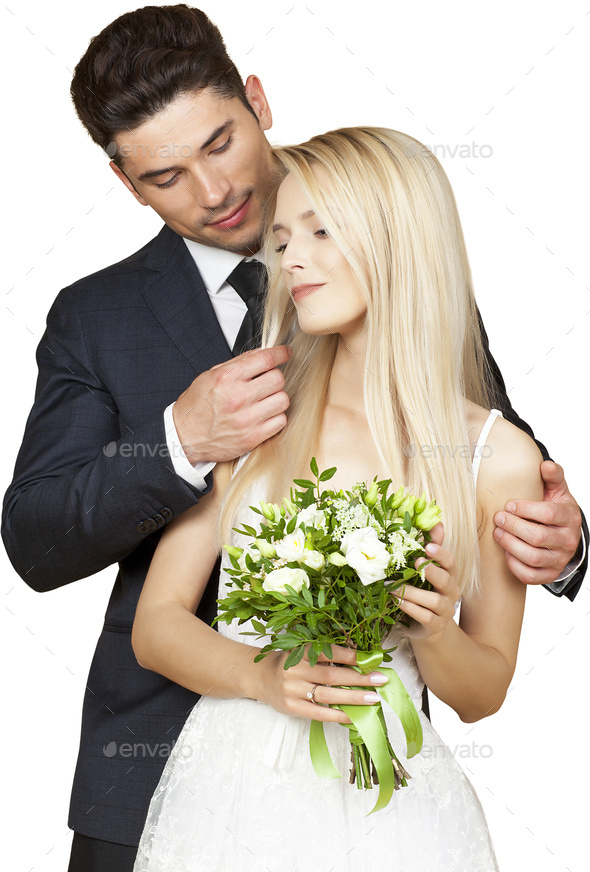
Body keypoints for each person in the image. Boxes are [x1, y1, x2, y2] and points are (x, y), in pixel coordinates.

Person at [1, 5, 585, 871]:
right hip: (152, 771)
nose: (214, 191)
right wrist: (178, 443)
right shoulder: (95, 318)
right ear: (127, 184)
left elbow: (480, 452)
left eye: (221, 143)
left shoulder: (394, 249)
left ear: (258, 100)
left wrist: (560, 542)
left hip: (371, 769)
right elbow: (36, 537)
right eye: (167, 176)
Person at [131, 125, 544, 870]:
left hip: (393, 809)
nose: (290, 258)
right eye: (283, 239)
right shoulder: (251, 419)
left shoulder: (497, 457)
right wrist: (258, 676)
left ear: (400, 238)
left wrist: (434, 631)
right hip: (231, 796)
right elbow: (156, 626)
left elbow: (483, 695)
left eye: (321, 231)